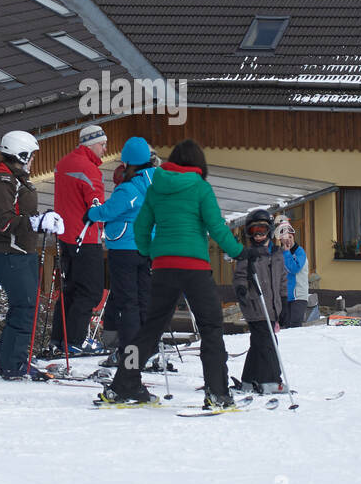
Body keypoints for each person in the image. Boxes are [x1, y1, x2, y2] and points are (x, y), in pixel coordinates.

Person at [100, 139, 245, 409]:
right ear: (199, 163)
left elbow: (142, 226)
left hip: (164, 267)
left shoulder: (157, 187)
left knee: (149, 329)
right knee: (211, 328)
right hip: (195, 268)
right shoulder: (201, 188)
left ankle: (123, 384)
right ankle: (217, 392)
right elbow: (216, 227)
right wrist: (239, 252)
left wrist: (148, 252)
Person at [0, 130, 64, 379]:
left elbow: (22, 213)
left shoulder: (15, 179)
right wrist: (36, 223)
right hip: (9, 253)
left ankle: (10, 360)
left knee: (24, 307)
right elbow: (4, 222)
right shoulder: (2, 182)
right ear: (21, 154)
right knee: (25, 306)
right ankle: (13, 363)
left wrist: (44, 219)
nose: (33, 161)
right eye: (31, 156)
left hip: (20, 251)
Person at [85, 137, 157, 360]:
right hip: (147, 247)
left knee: (128, 302)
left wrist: (90, 213)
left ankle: (129, 352)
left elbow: (108, 212)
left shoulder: (130, 188)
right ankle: (148, 347)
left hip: (125, 248)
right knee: (144, 298)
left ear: (129, 162)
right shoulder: (157, 181)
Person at [52, 124, 107, 355]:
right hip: (85, 236)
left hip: (65, 235)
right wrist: (103, 227)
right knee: (91, 291)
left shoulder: (63, 163)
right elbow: (96, 204)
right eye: (103, 144)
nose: (105, 149)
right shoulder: (89, 169)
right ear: (91, 144)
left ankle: (59, 338)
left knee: (71, 289)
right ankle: (75, 340)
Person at [231, 209, 286, 393]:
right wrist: (242, 291)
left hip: (272, 307)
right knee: (268, 343)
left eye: (262, 230)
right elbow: (239, 276)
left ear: (269, 230)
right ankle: (270, 380)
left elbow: (282, 280)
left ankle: (249, 379)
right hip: (255, 305)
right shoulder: (248, 254)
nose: (259, 235)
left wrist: (284, 302)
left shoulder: (277, 254)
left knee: (258, 344)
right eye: (254, 231)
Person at [275, 216, 309, 328]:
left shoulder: (300, 252)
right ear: (280, 240)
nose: (287, 240)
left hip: (298, 297)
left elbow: (294, 268)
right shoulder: (280, 253)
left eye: (290, 236)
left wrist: (286, 253)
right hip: (284, 296)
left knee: (294, 327)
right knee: (284, 327)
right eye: (284, 238)